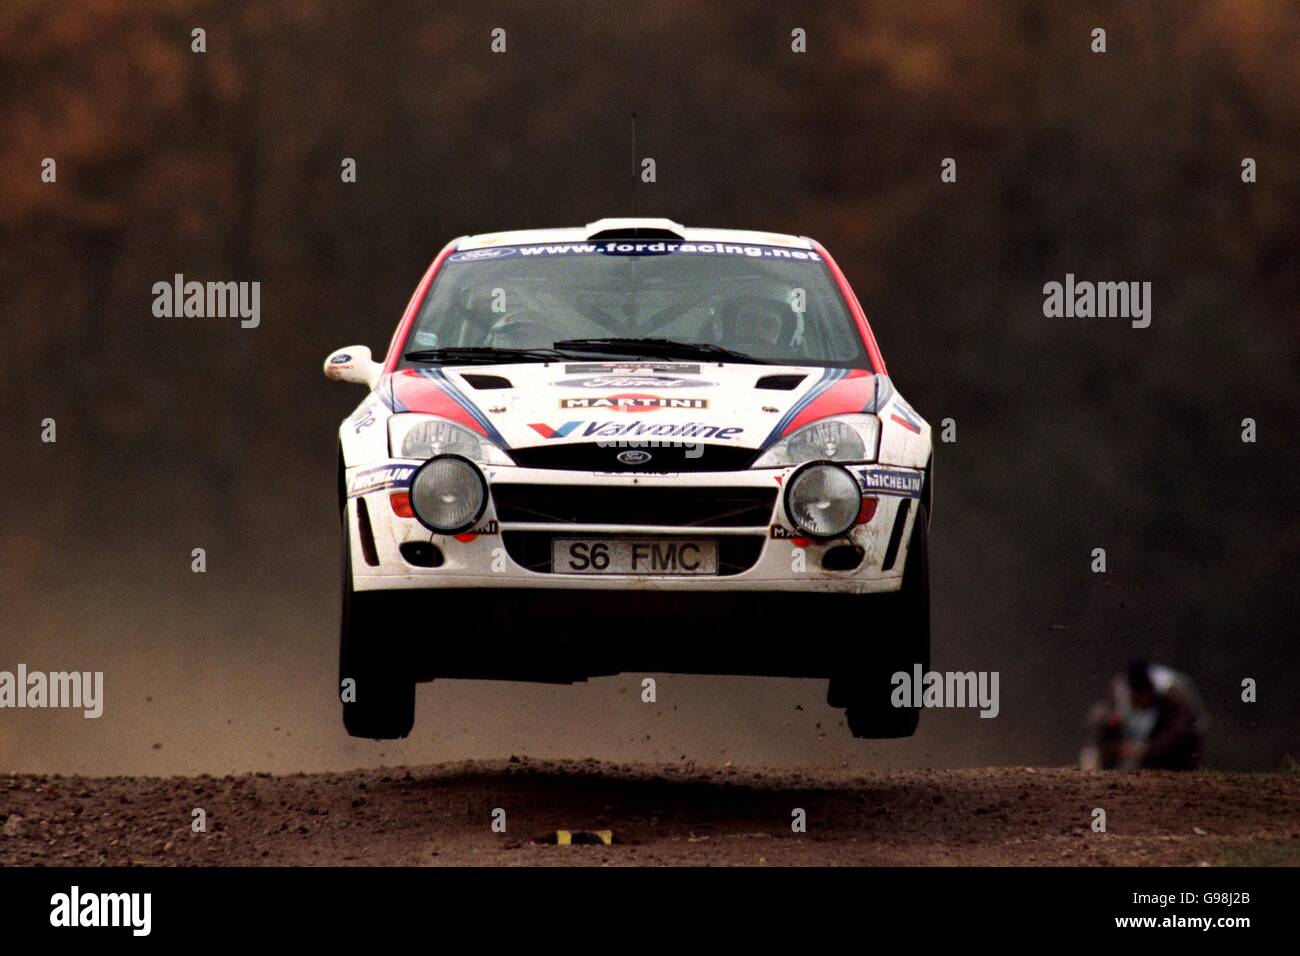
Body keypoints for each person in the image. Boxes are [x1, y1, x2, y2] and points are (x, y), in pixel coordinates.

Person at [1080, 660, 1208, 770]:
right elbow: (1100, 716)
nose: (1141, 701)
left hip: (1179, 742)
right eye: (1137, 697)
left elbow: (1178, 731)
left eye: (1144, 696)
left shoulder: (1174, 693)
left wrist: (1146, 748)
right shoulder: (1118, 688)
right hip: (1142, 738)